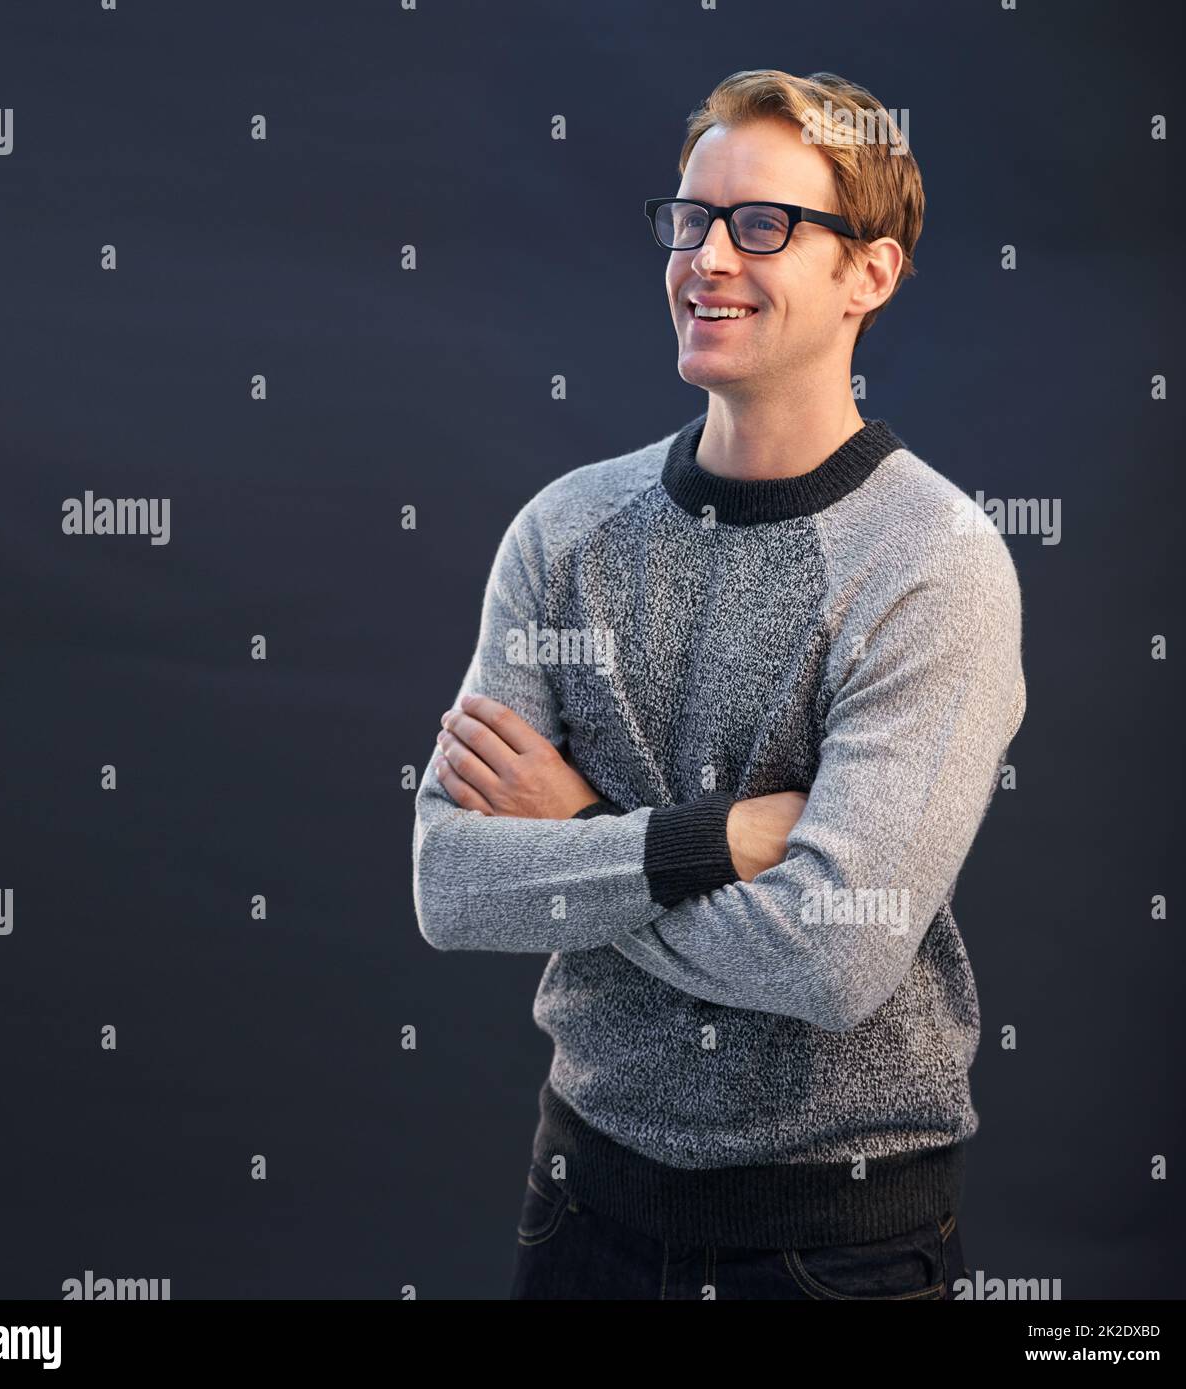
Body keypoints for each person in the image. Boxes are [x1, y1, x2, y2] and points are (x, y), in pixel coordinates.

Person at [411, 67, 1026, 1300]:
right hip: (579, 1209)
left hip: (836, 1248)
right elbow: (452, 883)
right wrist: (715, 843)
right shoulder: (565, 530)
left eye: (762, 226)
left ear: (870, 274)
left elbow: (830, 966)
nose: (706, 258)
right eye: (690, 219)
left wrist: (583, 835)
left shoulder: (934, 565)